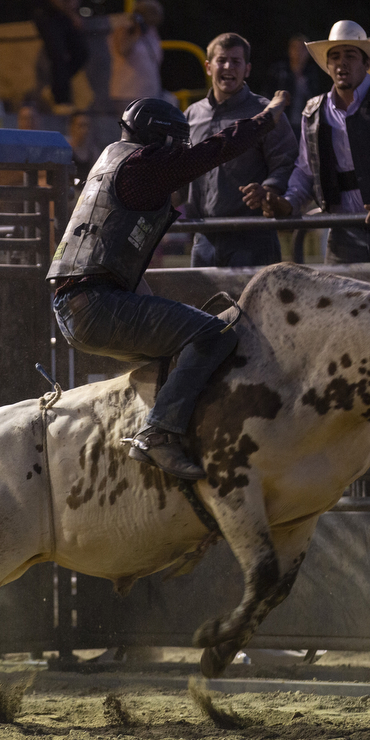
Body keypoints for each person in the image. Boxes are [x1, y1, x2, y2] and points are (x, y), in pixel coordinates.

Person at [49, 90, 292, 480]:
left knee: (175, 352)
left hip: (78, 303)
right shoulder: (145, 165)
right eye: (177, 146)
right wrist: (268, 116)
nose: (180, 154)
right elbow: (216, 150)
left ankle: (150, 432)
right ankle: (158, 433)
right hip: (97, 304)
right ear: (161, 140)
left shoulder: (109, 162)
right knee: (215, 336)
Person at [266, 21, 370, 264]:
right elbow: (306, 170)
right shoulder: (314, 111)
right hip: (343, 232)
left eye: (350, 55)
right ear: (327, 65)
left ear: (366, 63)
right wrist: (288, 202)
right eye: (334, 56)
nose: (341, 62)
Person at [183, 32, 297, 268]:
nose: (228, 67)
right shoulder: (191, 115)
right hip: (203, 236)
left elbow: (286, 163)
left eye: (236, 61)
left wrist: (268, 190)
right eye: (221, 60)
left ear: (247, 69)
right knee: (200, 306)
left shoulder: (267, 113)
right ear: (208, 66)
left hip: (253, 235)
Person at [262, 33, 328, 139]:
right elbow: (266, 95)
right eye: (295, 48)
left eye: (302, 48)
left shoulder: (311, 74)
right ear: (289, 50)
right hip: (280, 123)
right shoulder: (280, 71)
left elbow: (317, 98)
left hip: (303, 125)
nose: (298, 52)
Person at [109, 0, 166, 105]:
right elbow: (123, 50)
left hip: (150, 92)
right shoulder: (125, 31)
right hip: (128, 94)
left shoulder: (151, 31)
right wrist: (136, 32)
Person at [67, 110, 100, 185]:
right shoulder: (65, 151)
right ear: (71, 127)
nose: (85, 130)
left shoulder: (93, 153)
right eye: (80, 126)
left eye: (87, 126)